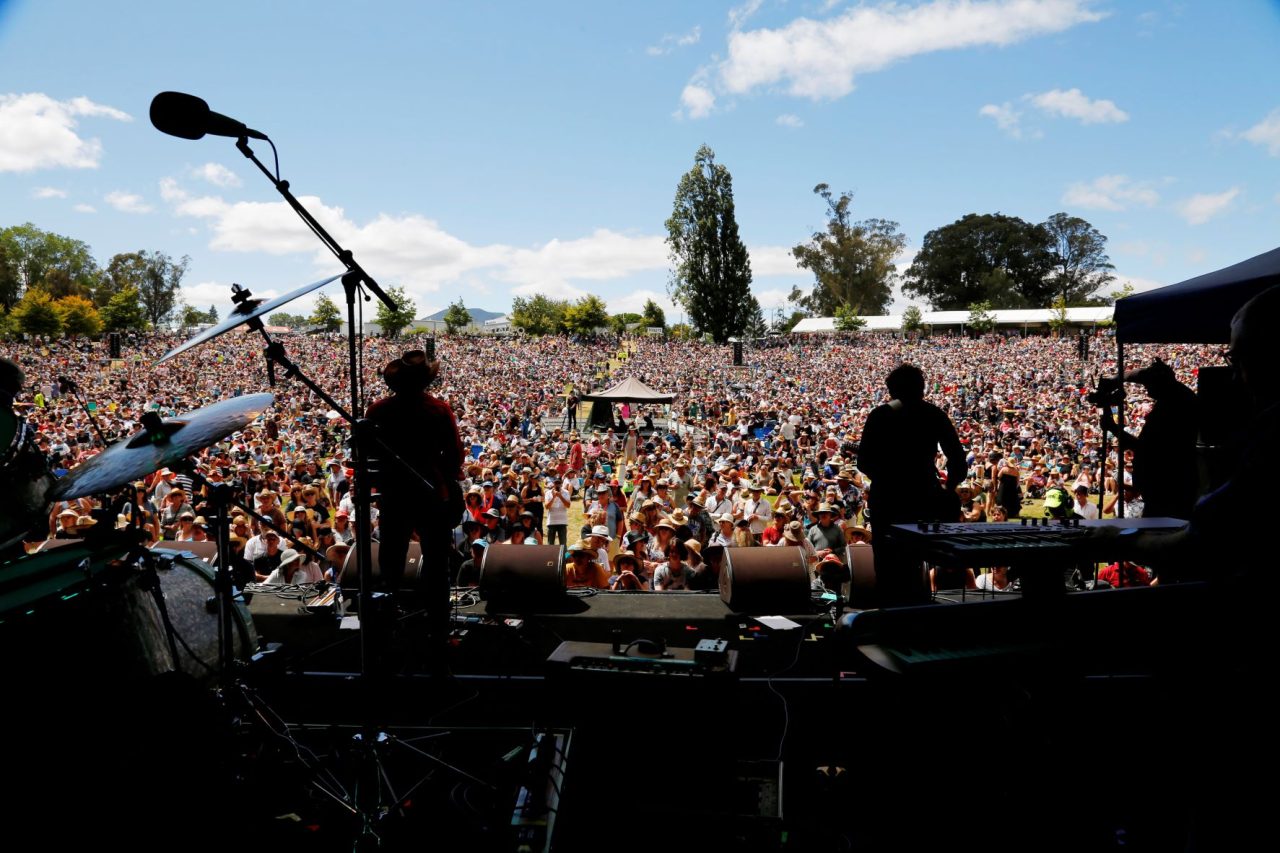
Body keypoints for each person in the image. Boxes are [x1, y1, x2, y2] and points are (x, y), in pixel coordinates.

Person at [365, 350, 464, 658]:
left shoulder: (377, 411)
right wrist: (444, 480)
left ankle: (387, 623)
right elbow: (456, 454)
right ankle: (438, 627)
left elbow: (368, 454)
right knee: (437, 564)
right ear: (425, 380)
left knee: (390, 561)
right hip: (432, 494)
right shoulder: (438, 409)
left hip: (394, 495)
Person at [858, 363, 966, 606]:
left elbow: (864, 462)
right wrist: (948, 490)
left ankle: (889, 614)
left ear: (892, 390)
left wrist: (888, 477)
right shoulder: (934, 414)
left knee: (886, 564)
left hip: (888, 499)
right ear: (922, 388)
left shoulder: (880, 415)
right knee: (919, 560)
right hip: (924, 496)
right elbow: (958, 460)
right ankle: (918, 610)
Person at [1099, 358, 1199, 519]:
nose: (1145, 389)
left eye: (1148, 384)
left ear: (1159, 382)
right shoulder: (1174, 397)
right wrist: (1118, 378)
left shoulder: (1174, 406)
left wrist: (1113, 428)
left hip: (1167, 488)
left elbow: (1146, 448)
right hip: (1163, 487)